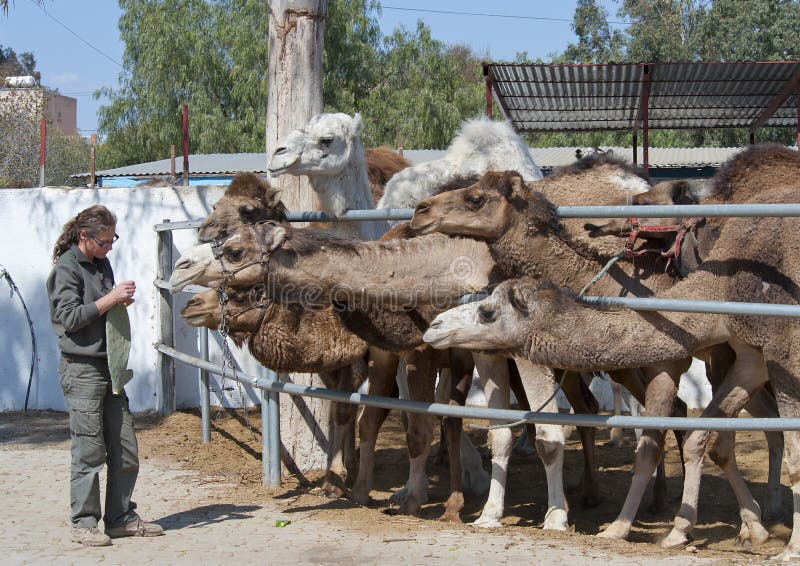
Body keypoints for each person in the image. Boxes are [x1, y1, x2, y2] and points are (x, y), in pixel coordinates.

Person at [46, 205, 164, 547]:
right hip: (81, 369)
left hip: (110, 366)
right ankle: (83, 523)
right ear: (85, 236)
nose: (111, 246)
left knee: (125, 447)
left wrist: (116, 303)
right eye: (105, 240)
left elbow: (98, 308)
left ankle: (120, 518)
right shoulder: (66, 269)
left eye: (113, 239)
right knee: (89, 450)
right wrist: (110, 298)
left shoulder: (101, 264)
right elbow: (69, 317)